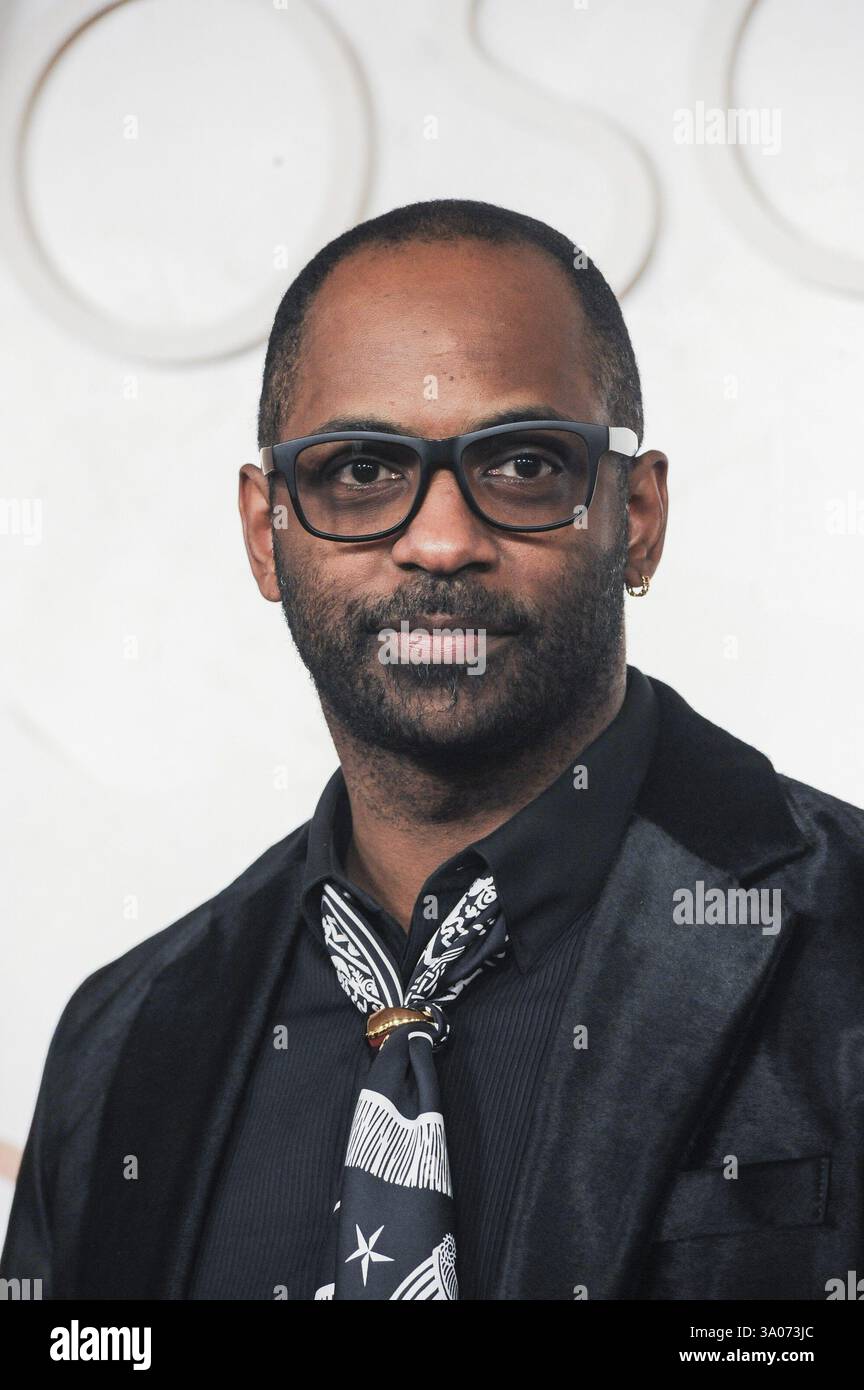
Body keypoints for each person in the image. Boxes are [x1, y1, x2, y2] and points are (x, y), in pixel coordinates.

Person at [3, 199, 863, 1301]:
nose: (443, 539)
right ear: (267, 529)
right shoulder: (121, 1042)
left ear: (636, 516)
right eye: (360, 471)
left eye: (521, 465)